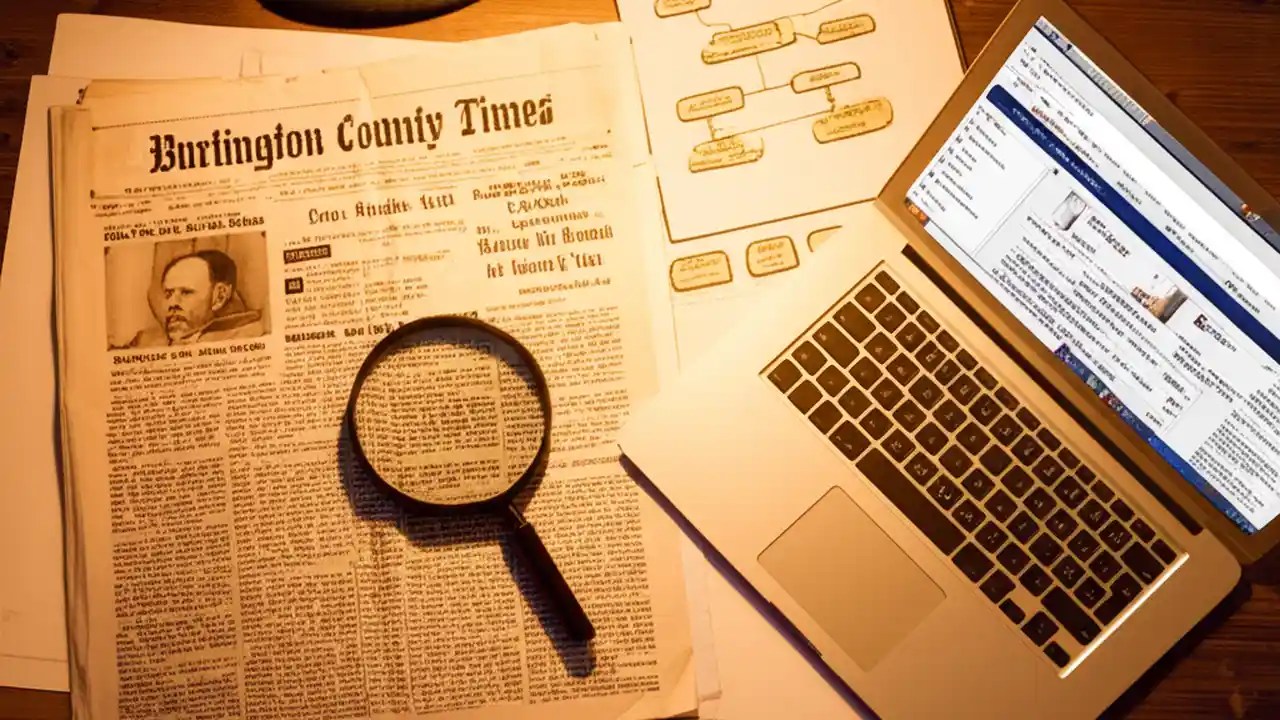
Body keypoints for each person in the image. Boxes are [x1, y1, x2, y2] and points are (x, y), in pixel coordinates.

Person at [128, 249, 265, 347]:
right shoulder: (144, 342)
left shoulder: (249, 337)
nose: (172, 303)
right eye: (169, 294)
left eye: (186, 292)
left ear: (220, 296)